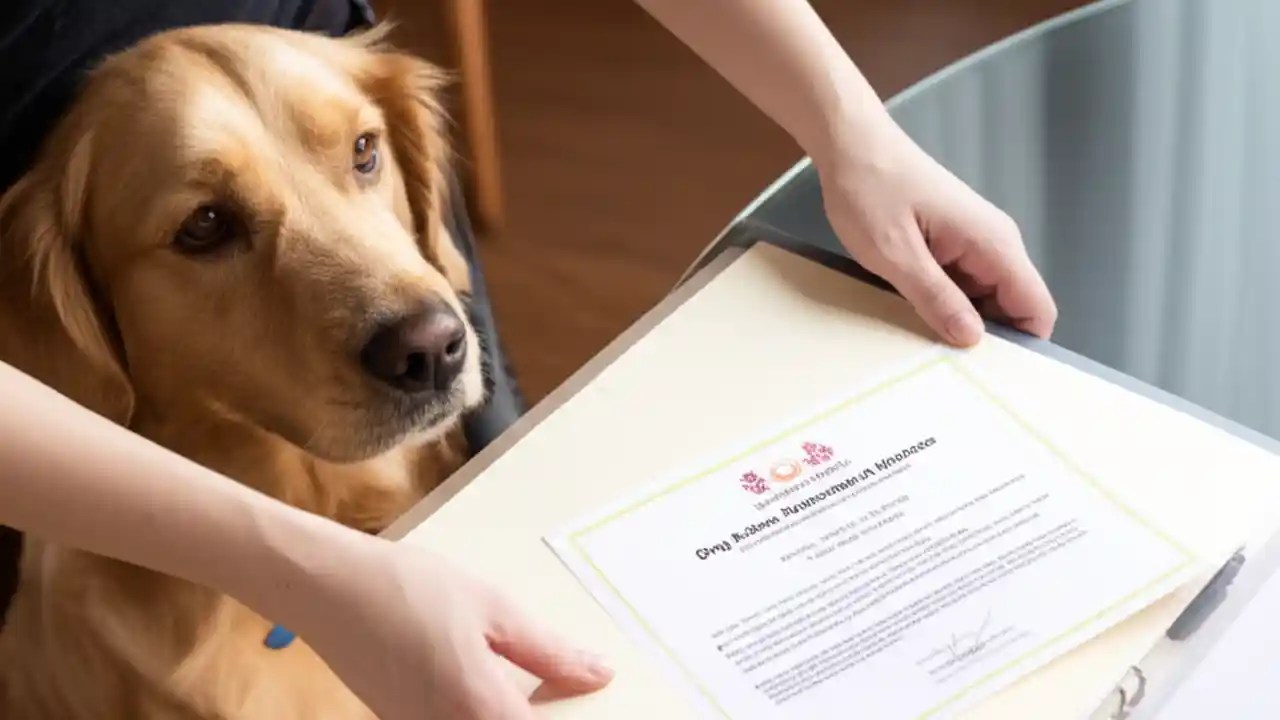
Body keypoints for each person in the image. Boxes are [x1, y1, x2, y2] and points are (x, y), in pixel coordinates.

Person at [0, 0, 1057, 718]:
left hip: (288, 40)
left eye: (362, 154)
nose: (404, 308)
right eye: (206, 229)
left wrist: (850, 131)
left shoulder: (416, 290)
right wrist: (304, 572)